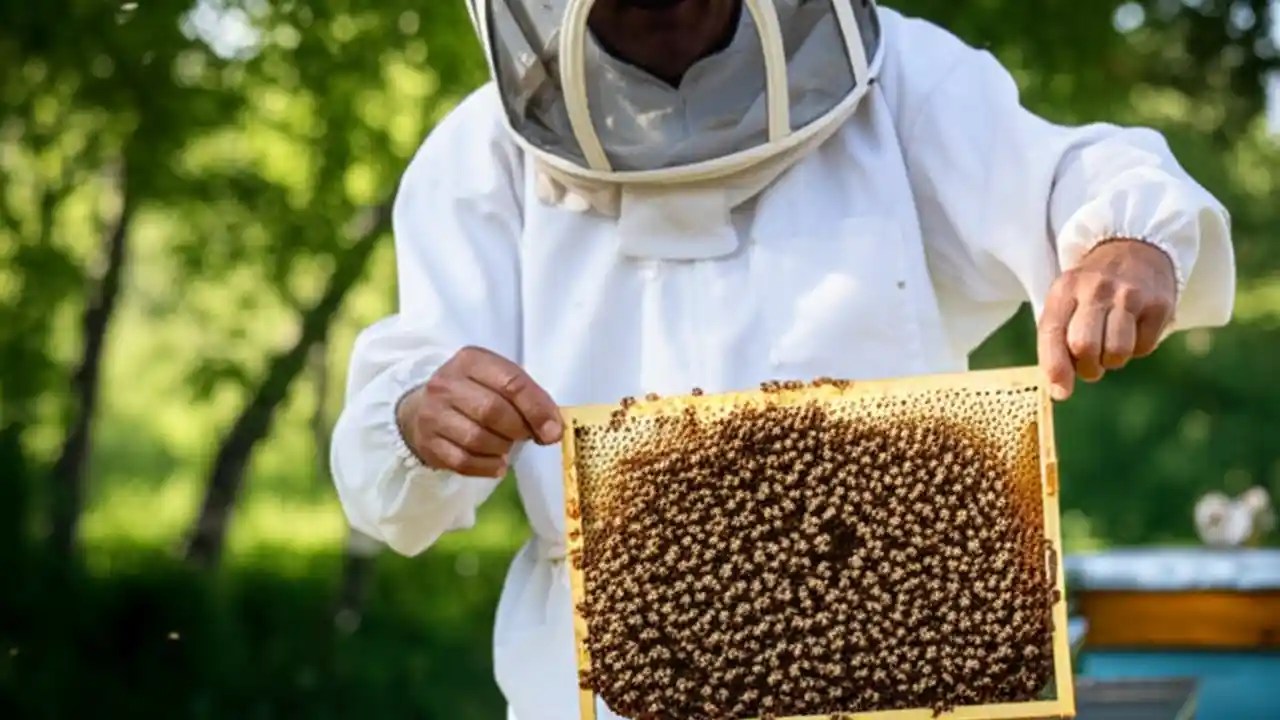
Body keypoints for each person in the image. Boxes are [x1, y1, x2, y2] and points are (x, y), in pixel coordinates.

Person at [331, 1, 1236, 718]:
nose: (670, 24)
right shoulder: (483, 151)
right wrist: (421, 417)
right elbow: (396, 460)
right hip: (606, 693)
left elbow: (1073, 172)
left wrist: (1128, 243)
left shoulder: (900, 80)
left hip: (906, 667)